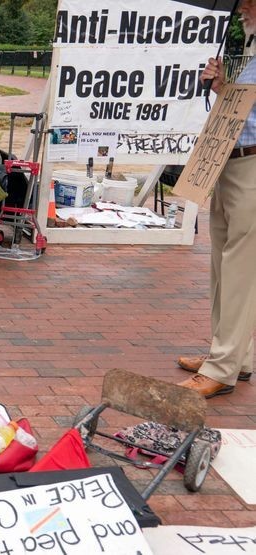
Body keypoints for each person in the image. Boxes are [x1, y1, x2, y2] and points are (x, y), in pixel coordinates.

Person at [175, 0, 256, 398]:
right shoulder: (251, 52)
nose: (243, 9)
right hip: (230, 158)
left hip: (252, 164)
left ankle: (222, 367)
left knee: (241, 267)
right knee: (223, 264)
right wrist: (223, 87)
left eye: (249, 4)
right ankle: (233, 356)